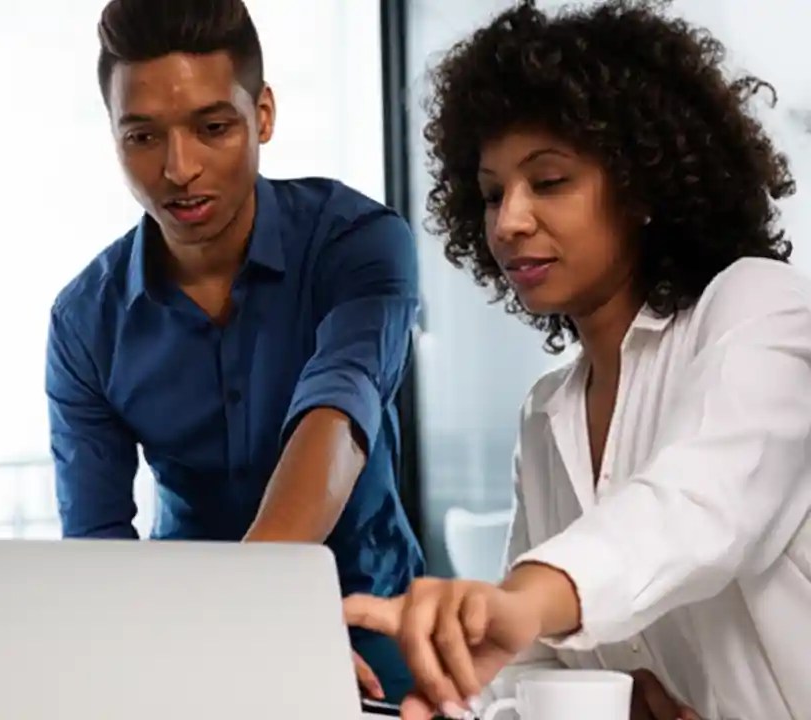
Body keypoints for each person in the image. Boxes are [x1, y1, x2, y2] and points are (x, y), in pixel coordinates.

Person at [342, 2, 810, 719]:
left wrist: (522, 602)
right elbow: (532, 662)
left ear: (643, 185)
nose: (508, 221)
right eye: (493, 192)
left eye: (549, 181)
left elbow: (695, 508)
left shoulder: (758, 308)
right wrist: (458, 685)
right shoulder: (545, 412)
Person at [47, 0, 423, 699]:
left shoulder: (361, 245)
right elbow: (97, 547)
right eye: (142, 137)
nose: (178, 169)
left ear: (265, 115)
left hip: (375, 635)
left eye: (212, 127)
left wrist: (263, 621)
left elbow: (338, 414)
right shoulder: (84, 321)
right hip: (188, 648)